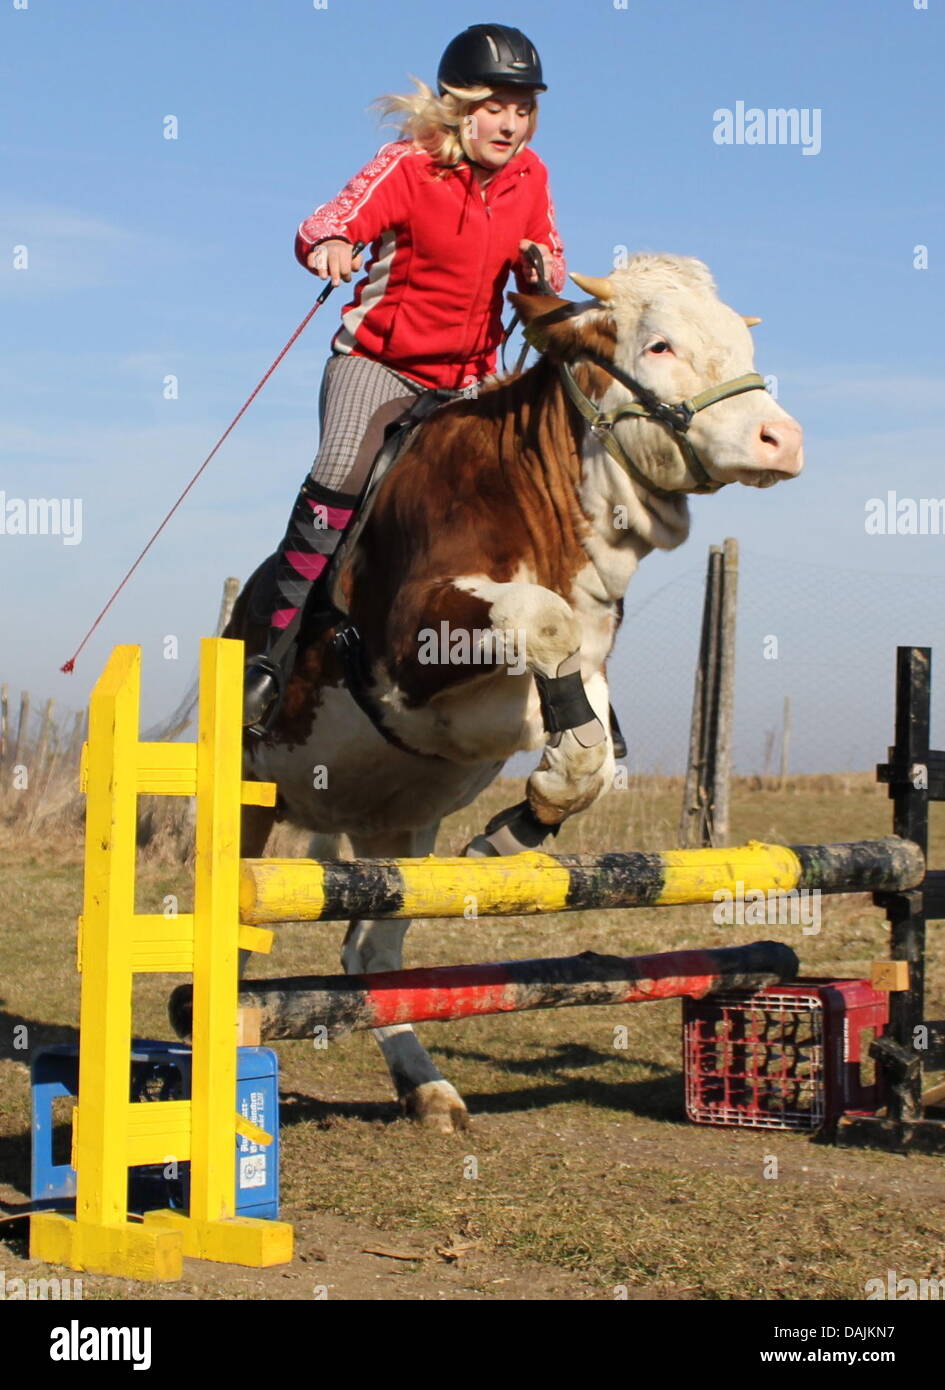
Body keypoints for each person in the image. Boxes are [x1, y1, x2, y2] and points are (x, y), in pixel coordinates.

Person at [243, 22, 565, 732]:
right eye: (494, 106)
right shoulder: (408, 164)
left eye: (522, 108)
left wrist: (544, 270)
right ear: (460, 105)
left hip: (468, 384)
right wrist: (329, 244)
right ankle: (270, 654)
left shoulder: (530, 178)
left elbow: (547, 251)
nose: (509, 124)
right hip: (379, 366)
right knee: (340, 466)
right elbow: (332, 217)